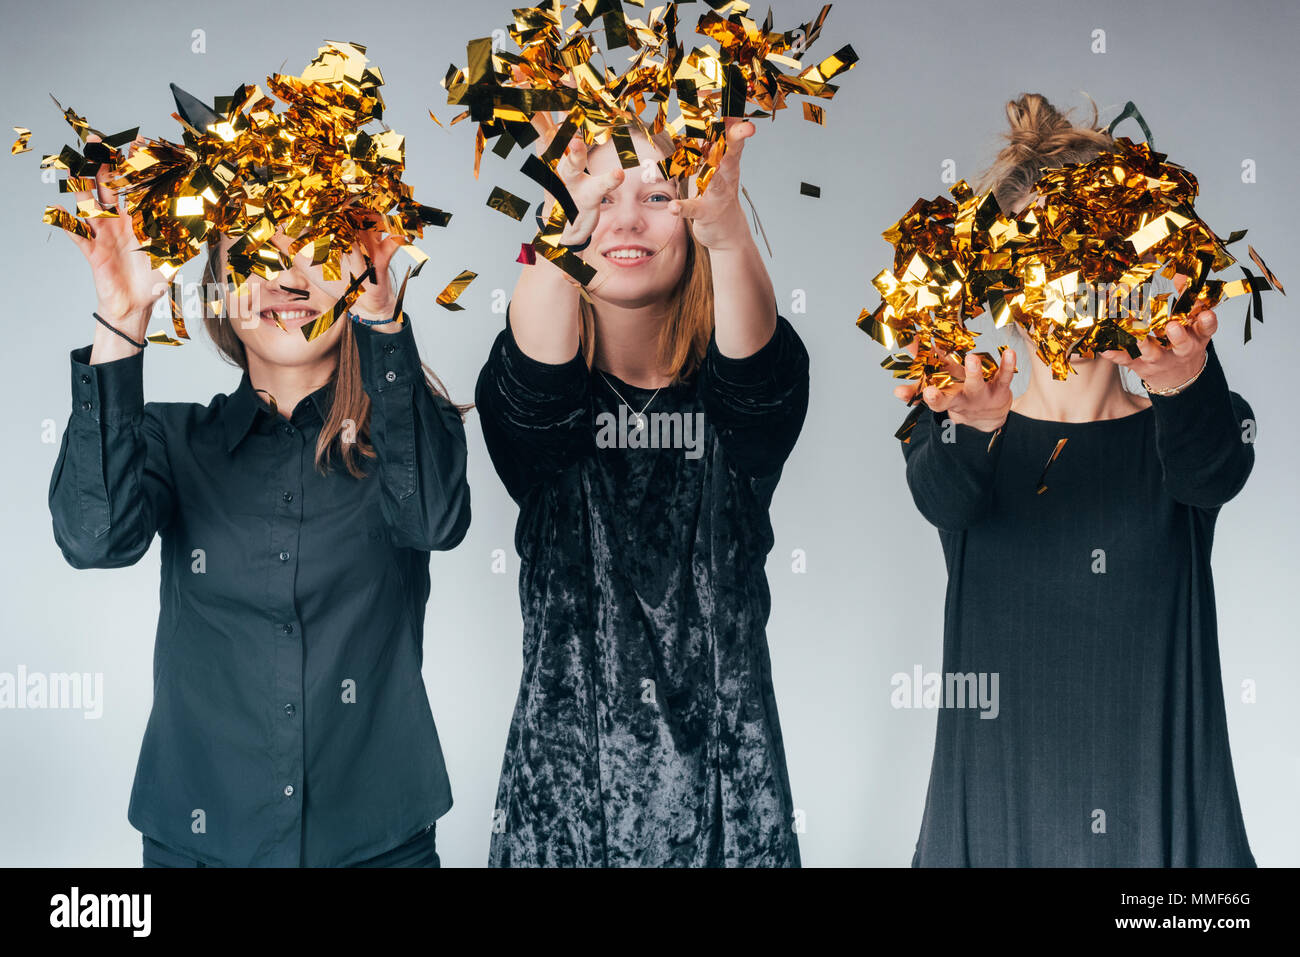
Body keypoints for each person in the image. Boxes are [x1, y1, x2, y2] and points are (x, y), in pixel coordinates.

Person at [47, 132, 471, 867]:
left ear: (356, 272)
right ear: (219, 288)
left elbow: (435, 519)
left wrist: (381, 317)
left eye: (313, 245)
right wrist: (122, 317)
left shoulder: (406, 436)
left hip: (377, 844)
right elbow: (93, 538)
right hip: (198, 844)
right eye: (256, 251)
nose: (287, 277)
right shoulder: (173, 441)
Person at [898, 93, 1256, 866]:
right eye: (1043, 248)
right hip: (989, 830)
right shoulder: (955, 417)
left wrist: (1183, 380)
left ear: (1135, 262)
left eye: (1094, 243)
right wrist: (976, 425)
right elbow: (941, 493)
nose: (1069, 275)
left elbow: (1215, 468)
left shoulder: (1192, 421)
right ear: (1002, 272)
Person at [474, 115, 809, 866]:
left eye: (658, 196)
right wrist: (560, 231)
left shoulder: (736, 402)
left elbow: (758, 381)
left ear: (692, 220)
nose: (625, 220)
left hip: (732, 812)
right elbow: (533, 390)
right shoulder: (541, 407)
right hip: (562, 817)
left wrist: (729, 235)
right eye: (601, 196)